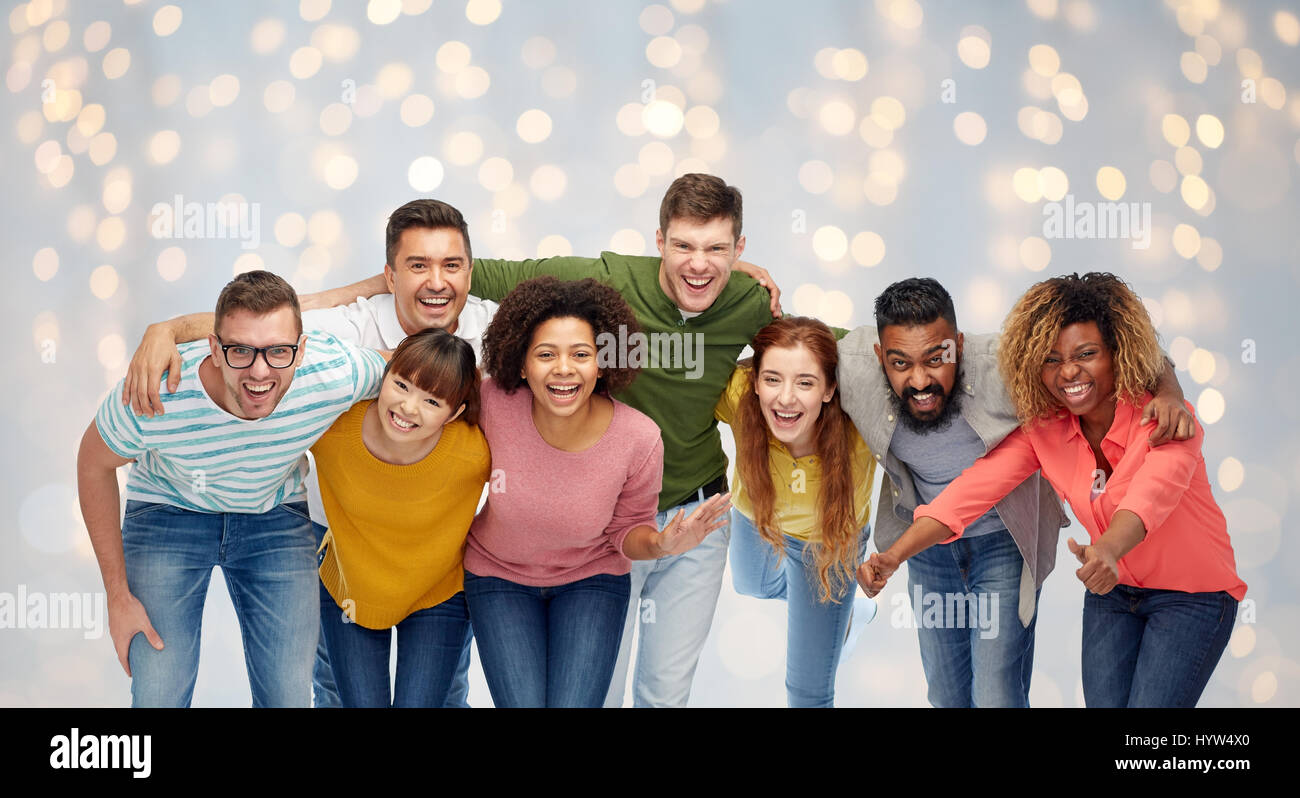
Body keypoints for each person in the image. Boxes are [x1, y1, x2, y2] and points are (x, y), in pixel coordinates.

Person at [326, 174, 780, 706]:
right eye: (684, 245)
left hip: (667, 525)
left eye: (716, 249)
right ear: (659, 241)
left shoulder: (648, 422)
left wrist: (730, 270)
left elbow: (812, 348)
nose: (698, 262)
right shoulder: (496, 395)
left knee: (662, 692)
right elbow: (462, 285)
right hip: (522, 565)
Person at [117, 199, 495, 708]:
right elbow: (255, 327)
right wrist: (164, 330)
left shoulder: (496, 334)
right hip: (343, 552)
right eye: (417, 265)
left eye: (451, 265)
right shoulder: (347, 333)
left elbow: (566, 361)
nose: (436, 281)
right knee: (337, 692)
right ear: (388, 275)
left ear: (471, 271)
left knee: (442, 696)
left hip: (439, 558)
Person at [858, 272, 1246, 708]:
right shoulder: (1046, 431)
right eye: (1052, 360)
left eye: (1086, 354)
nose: (1069, 372)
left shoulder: (1168, 418)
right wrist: (893, 556)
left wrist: (1110, 549)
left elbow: (1150, 497)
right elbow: (967, 494)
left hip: (1192, 596)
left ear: (1117, 353)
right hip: (1113, 593)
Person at [76, 270, 386, 707]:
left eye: (278, 351)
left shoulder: (334, 372)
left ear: (301, 351)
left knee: (287, 698)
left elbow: (421, 375)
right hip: (169, 510)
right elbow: (93, 465)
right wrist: (117, 595)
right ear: (213, 350)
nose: (259, 371)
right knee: (158, 695)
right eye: (241, 350)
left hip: (273, 515)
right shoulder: (159, 391)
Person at [466, 276, 731, 707]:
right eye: (546, 354)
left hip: (590, 580)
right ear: (519, 364)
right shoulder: (492, 402)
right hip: (498, 577)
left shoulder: (638, 438)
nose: (564, 368)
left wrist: (663, 544)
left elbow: (627, 532)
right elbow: (429, 412)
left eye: (581, 354)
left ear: (603, 362)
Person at [312, 329, 489, 707]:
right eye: (402, 384)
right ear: (385, 374)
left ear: (455, 412)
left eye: (432, 400)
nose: (409, 407)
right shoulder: (334, 427)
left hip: (436, 597)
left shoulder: (473, 452)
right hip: (350, 590)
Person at [713, 317, 877, 707]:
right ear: (753, 382)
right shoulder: (738, 394)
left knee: (807, 691)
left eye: (805, 382)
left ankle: (840, 610)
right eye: (772, 379)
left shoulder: (862, 419)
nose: (785, 398)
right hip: (757, 519)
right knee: (749, 584)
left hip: (828, 545)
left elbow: (883, 348)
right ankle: (847, 606)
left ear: (830, 388)